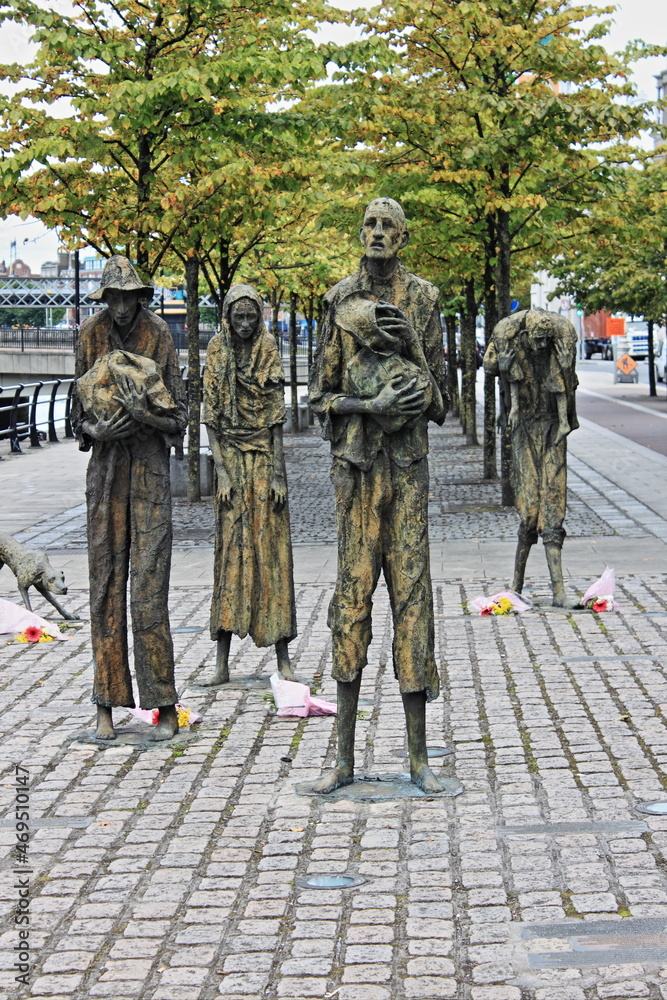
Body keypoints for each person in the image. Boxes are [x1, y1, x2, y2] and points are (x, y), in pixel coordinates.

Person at [309, 196, 457, 795]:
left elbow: (443, 404)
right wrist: (368, 406)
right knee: (350, 600)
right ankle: (341, 759)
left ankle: (419, 759)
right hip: (357, 472)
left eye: (387, 226)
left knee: (413, 601)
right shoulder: (338, 302)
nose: (375, 233)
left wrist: (413, 351)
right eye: (368, 224)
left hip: (408, 472)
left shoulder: (424, 299)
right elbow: (321, 399)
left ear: (402, 237)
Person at [72, 255, 186, 741]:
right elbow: (77, 415)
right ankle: (106, 701)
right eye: (113, 297)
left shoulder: (159, 334)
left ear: (141, 297)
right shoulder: (89, 335)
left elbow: (179, 419)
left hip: (149, 471)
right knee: (105, 586)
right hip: (106, 473)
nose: (120, 307)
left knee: (148, 589)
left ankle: (162, 703)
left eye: (128, 297)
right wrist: (95, 428)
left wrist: (144, 414)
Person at [201, 283, 297, 685]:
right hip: (231, 465)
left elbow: (275, 416)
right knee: (230, 556)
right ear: (227, 317)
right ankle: (221, 661)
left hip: (262, 463)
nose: (244, 324)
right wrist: (221, 471)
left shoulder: (268, 349)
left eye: (251, 317)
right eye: (237, 317)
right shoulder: (217, 351)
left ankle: (282, 658)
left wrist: (277, 472)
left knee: (272, 555)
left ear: (260, 317)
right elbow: (211, 418)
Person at [484, 308, 578, 606]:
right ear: (526, 335)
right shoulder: (507, 336)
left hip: (552, 428)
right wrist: (502, 364)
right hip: (524, 426)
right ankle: (517, 582)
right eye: (536, 341)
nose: (540, 347)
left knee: (553, 500)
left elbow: (568, 385)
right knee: (528, 508)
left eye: (544, 342)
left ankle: (559, 589)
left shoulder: (559, 341)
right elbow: (488, 365)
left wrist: (565, 367)